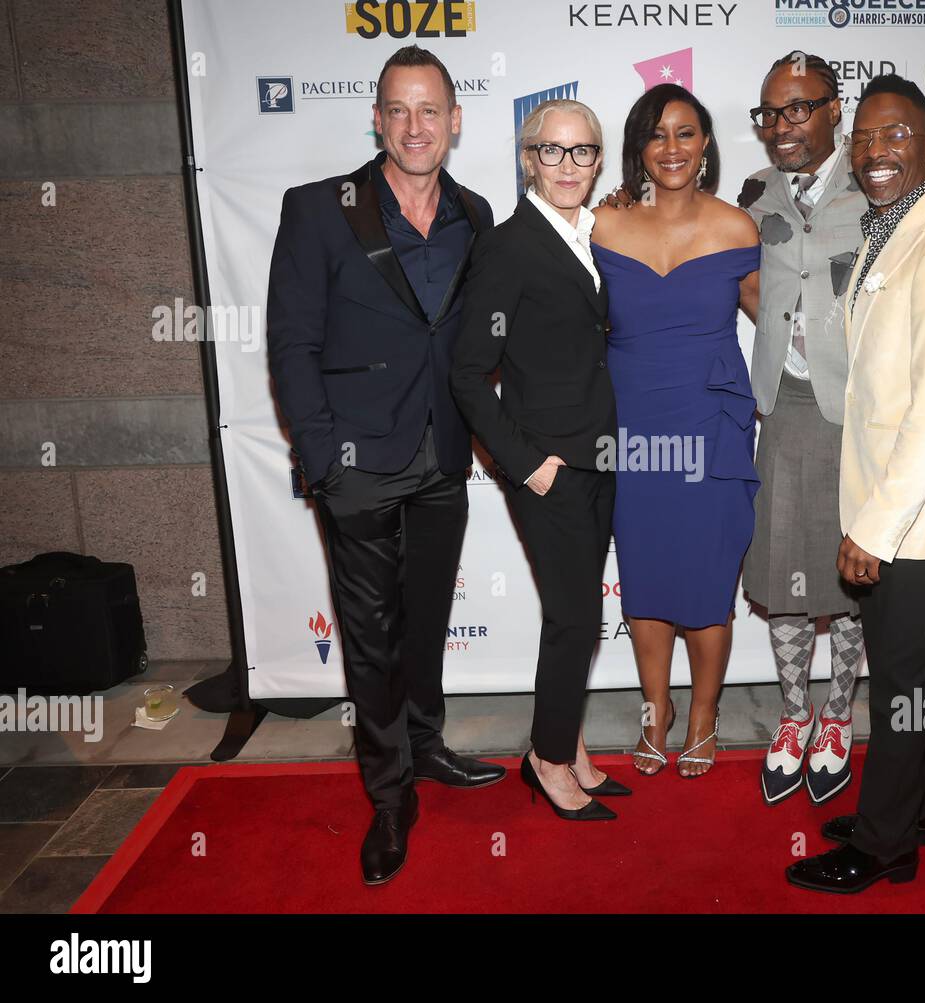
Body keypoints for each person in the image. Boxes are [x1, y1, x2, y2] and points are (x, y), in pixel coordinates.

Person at [738, 52, 925, 807]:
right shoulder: (756, 193)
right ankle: (799, 721)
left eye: (801, 107)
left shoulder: (893, 201)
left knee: (870, 602)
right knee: (790, 582)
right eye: (770, 112)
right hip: (790, 409)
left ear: (836, 111)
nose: (784, 124)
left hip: (870, 432)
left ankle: (841, 730)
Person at [266, 45, 505, 887]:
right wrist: (323, 456)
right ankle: (389, 792)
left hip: (443, 456)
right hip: (357, 465)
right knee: (370, 638)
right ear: (376, 118)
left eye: (430, 110)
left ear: (455, 120)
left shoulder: (475, 214)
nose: (415, 127)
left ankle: (427, 744)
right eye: (398, 111)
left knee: (427, 618)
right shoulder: (320, 209)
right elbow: (290, 342)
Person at [786, 74, 925, 894]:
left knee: (899, 678)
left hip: (920, 511)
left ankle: (885, 846)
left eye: (898, 135)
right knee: (913, 666)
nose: (878, 150)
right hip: (899, 502)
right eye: (866, 137)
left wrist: (874, 530)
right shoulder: (893, 229)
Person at [451, 99, 626, 820]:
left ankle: (569, 742)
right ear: (529, 158)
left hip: (599, 458)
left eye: (582, 151)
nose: (567, 165)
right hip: (548, 468)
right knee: (575, 618)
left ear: (597, 160)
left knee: (578, 617)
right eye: (552, 151)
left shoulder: (588, 234)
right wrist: (525, 463)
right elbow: (467, 371)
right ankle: (547, 758)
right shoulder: (508, 244)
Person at [590, 84, 761, 778]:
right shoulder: (603, 226)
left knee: (708, 579)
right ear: (638, 149)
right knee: (647, 576)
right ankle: (654, 715)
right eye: (657, 135)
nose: (672, 148)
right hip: (634, 425)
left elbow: (781, 324)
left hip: (712, 422)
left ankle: (703, 715)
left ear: (706, 145)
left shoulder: (737, 228)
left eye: (686, 133)